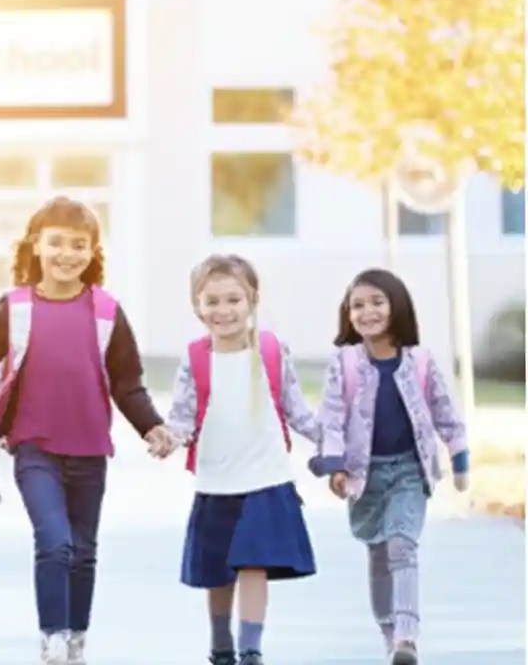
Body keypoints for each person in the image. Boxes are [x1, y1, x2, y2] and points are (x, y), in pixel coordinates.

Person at [0, 196, 173, 665]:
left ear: (93, 251)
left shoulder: (106, 311)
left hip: (89, 450)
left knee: (84, 552)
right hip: (35, 449)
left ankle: (76, 644)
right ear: (36, 246)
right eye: (57, 243)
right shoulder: (15, 307)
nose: (68, 254)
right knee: (55, 543)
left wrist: (153, 427)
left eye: (79, 244)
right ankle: (52, 643)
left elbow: (127, 383)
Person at [161, 254, 320, 665]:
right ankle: (220, 644)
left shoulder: (270, 349)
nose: (223, 310)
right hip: (216, 481)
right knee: (218, 571)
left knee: (254, 564)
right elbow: (183, 417)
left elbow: (296, 410)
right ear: (197, 306)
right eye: (212, 301)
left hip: (266, 477)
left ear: (252, 301)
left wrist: (334, 442)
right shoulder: (195, 357)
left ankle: (251, 649)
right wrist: (169, 439)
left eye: (233, 299)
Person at [308, 268, 471, 665]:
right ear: (347, 314)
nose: (367, 312)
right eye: (357, 305)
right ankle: (389, 634)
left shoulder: (419, 360)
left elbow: (444, 410)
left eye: (377, 302)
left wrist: (459, 454)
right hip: (365, 476)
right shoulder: (344, 363)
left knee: (402, 545)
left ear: (397, 306)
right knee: (379, 553)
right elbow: (331, 417)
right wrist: (335, 465)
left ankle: (407, 635)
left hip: (409, 471)